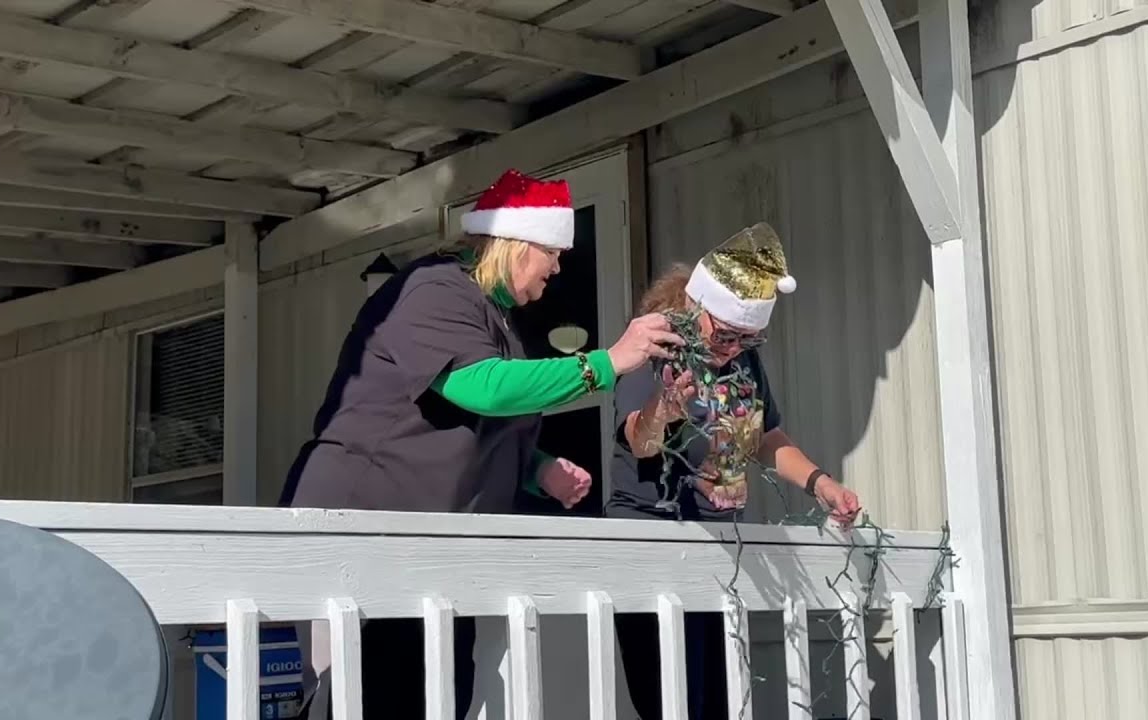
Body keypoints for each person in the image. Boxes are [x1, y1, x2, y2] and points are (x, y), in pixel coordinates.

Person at [278, 168, 685, 720]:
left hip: (430, 552)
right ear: (515, 244)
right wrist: (606, 363)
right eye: (552, 253)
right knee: (362, 698)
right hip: (365, 532)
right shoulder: (434, 288)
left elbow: (473, 425)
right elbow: (481, 389)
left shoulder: (496, 319)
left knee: (440, 696)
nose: (558, 268)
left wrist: (536, 468)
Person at [605, 222, 862, 720]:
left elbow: (766, 435)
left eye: (749, 339)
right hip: (653, 538)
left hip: (719, 541)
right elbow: (639, 440)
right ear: (697, 306)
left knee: (720, 697)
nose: (733, 348)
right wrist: (666, 408)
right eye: (725, 334)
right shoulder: (655, 344)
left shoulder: (742, 360)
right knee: (670, 698)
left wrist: (820, 482)